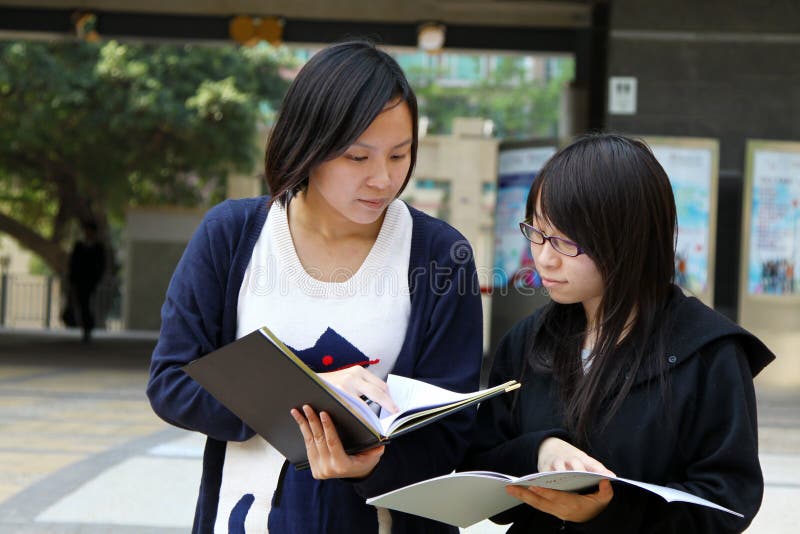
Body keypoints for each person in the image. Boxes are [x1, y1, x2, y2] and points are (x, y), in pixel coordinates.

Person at [146, 40, 482, 533]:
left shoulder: (440, 255)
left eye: (399, 154)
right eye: (357, 157)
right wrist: (314, 395)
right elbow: (172, 382)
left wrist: (371, 464)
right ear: (309, 144)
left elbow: (452, 432)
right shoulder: (233, 235)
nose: (383, 179)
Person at [461, 133, 774, 533]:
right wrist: (539, 450)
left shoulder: (709, 353)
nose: (543, 257)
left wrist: (607, 515)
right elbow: (479, 468)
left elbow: (728, 503)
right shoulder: (527, 341)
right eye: (536, 232)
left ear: (628, 240)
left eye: (564, 241)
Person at [65, 220, 105, 343]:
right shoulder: (79, 246)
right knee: (82, 305)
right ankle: (84, 327)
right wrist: (72, 279)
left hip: (91, 282)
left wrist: (98, 279)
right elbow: (73, 264)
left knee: (87, 305)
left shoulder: (98, 247)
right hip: (79, 281)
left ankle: (88, 328)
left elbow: (101, 265)